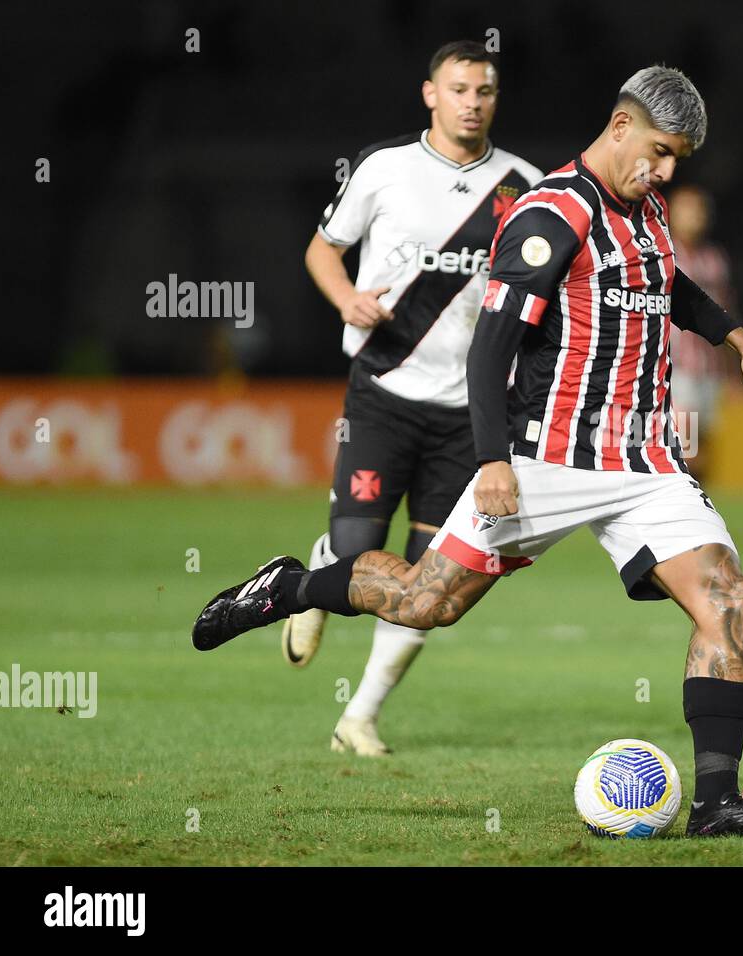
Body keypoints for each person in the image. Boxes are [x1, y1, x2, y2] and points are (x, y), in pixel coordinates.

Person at [194, 65, 743, 838]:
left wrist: (740, 339)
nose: (668, 171)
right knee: (425, 600)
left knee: (730, 598)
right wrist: (491, 461)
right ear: (620, 126)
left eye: (678, 158)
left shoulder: (645, 208)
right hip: (543, 459)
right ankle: (292, 587)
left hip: (644, 460)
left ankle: (718, 804)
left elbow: (668, 284)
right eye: (659, 150)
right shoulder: (551, 213)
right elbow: (491, 348)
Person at [288, 40, 543, 755]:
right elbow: (321, 248)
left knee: (430, 580)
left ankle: (359, 717)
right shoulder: (385, 168)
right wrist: (345, 299)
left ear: (496, 98)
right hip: (384, 393)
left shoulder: (525, 186)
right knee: (356, 553)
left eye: (484, 91)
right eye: (458, 89)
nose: (472, 102)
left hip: (470, 416)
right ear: (430, 94)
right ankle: (321, 566)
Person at [666, 184, 738, 480]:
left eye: (699, 209)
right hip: (676, 369)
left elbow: (727, 314)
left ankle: (699, 511)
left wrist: (733, 370)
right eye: (687, 209)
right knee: (686, 448)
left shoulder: (714, 258)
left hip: (709, 369)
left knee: (703, 447)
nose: (695, 216)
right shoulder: (663, 252)